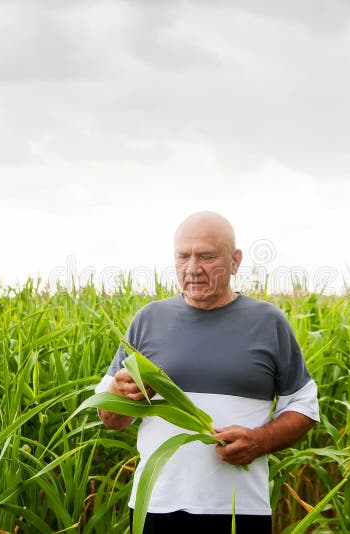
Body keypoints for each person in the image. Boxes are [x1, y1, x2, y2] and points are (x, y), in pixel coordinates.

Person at [95, 211, 319, 533]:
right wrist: (119, 396)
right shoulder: (148, 320)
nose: (193, 268)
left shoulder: (268, 322)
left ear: (235, 260)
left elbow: (304, 406)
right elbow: (110, 418)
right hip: (155, 506)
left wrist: (259, 440)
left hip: (240, 510)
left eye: (207, 256)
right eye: (183, 256)